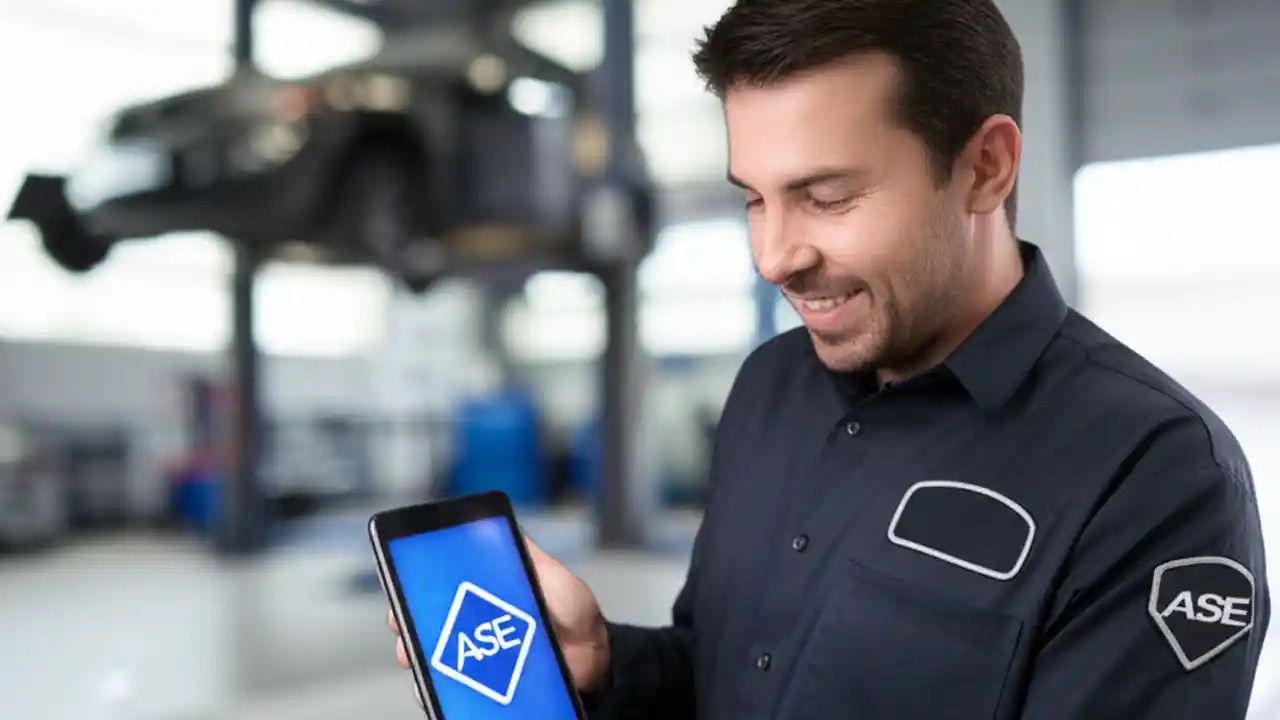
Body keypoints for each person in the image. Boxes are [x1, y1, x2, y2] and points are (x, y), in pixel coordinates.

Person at [389, 0, 1270, 716]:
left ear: (986, 168)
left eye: (827, 196)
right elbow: (724, 672)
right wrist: (607, 662)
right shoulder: (769, 388)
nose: (774, 256)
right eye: (753, 200)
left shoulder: (1154, 475)